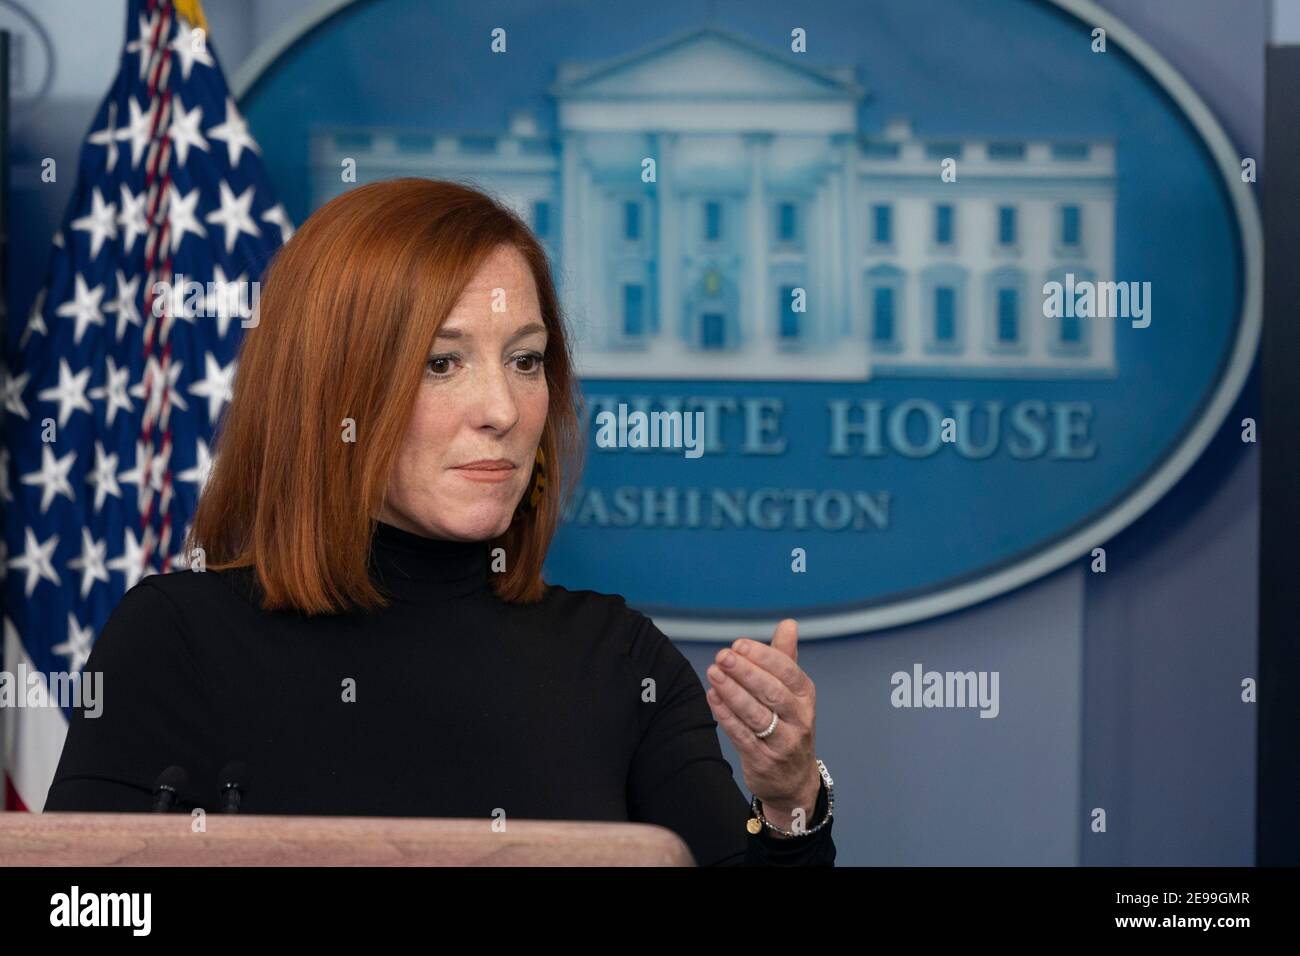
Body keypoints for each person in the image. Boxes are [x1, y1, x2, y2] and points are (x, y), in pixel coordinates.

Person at [43, 178, 836, 866]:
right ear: (332, 387)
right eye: (441, 362)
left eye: (525, 361)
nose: (502, 410)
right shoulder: (177, 639)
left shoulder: (623, 662)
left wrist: (790, 800)